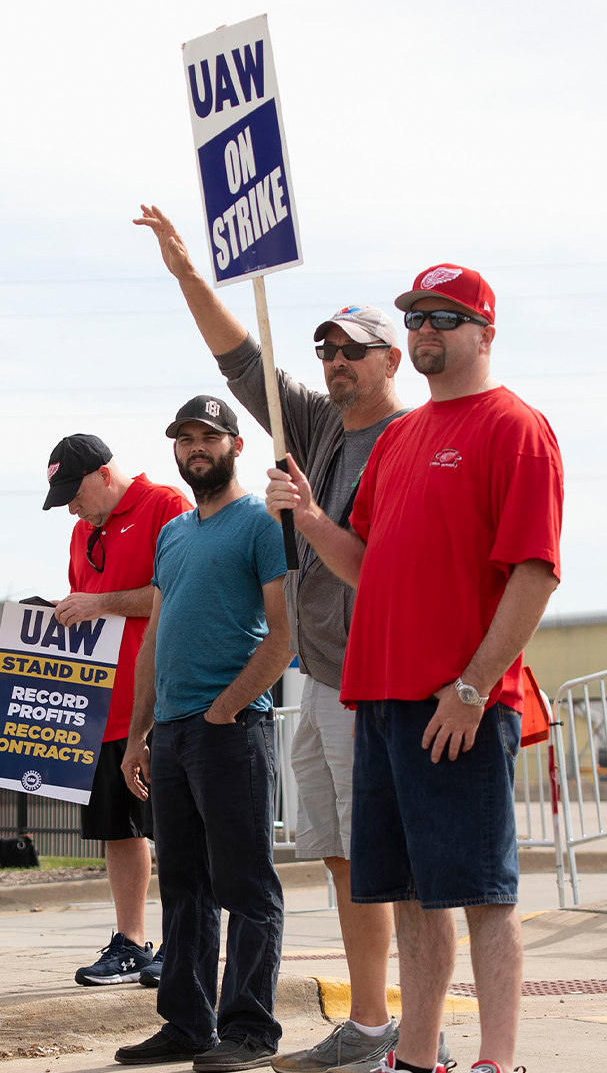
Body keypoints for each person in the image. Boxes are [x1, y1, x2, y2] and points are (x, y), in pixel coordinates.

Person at [134, 204, 432, 1071]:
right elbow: (239, 359)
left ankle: (406, 1033)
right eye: (325, 351)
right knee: (339, 858)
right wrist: (188, 271)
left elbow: (395, 566)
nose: (335, 363)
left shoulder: (411, 440)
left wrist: (303, 515)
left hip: (377, 676)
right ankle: (370, 1022)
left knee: (387, 865)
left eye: (352, 349)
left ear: (391, 358)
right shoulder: (320, 425)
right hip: (321, 675)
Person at [265, 265, 563, 1073]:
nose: (426, 328)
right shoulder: (399, 439)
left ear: (484, 332)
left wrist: (471, 688)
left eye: (444, 316)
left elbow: (534, 572)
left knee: (482, 896)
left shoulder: (516, 428)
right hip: (380, 702)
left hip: (456, 704)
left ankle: (496, 1061)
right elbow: (364, 563)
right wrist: (310, 517)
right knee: (406, 897)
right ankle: (415, 1056)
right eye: (416, 317)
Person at [115, 396, 293, 1073]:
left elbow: (284, 635)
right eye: (184, 439)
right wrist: (138, 735)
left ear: (235, 446)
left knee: (245, 885)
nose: (195, 448)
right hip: (170, 737)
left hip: (232, 732)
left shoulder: (262, 521)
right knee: (183, 887)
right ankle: (187, 1023)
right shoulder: (174, 534)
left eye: (207, 438)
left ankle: (248, 1030)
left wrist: (225, 710)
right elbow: (155, 637)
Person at [41, 433, 193, 987]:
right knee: (118, 830)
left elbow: (178, 591)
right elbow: (87, 607)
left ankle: (184, 944)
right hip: (102, 707)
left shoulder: (166, 507)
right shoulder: (83, 532)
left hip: (157, 704)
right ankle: (131, 943)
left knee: (173, 830)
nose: (70, 508)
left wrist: (101, 603)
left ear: (104, 474)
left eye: (73, 494)